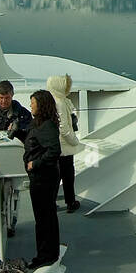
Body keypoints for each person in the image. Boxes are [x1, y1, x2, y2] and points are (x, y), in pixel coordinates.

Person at [11, 90, 63, 268]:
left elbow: (54, 151)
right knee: (45, 217)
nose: (31, 106)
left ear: (41, 105)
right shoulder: (38, 123)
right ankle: (48, 252)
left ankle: (46, 255)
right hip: (41, 177)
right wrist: (17, 133)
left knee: (44, 218)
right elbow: (32, 139)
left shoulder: (47, 126)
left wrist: (36, 163)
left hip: (44, 178)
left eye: (33, 103)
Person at [46, 73, 83, 212]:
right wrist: (74, 141)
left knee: (56, 176)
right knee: (67, 176)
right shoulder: (60, 102)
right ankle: (70, 202)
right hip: (64, 146)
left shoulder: (54, 100)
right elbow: (64, 128)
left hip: (57, 146)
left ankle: (52, 202)